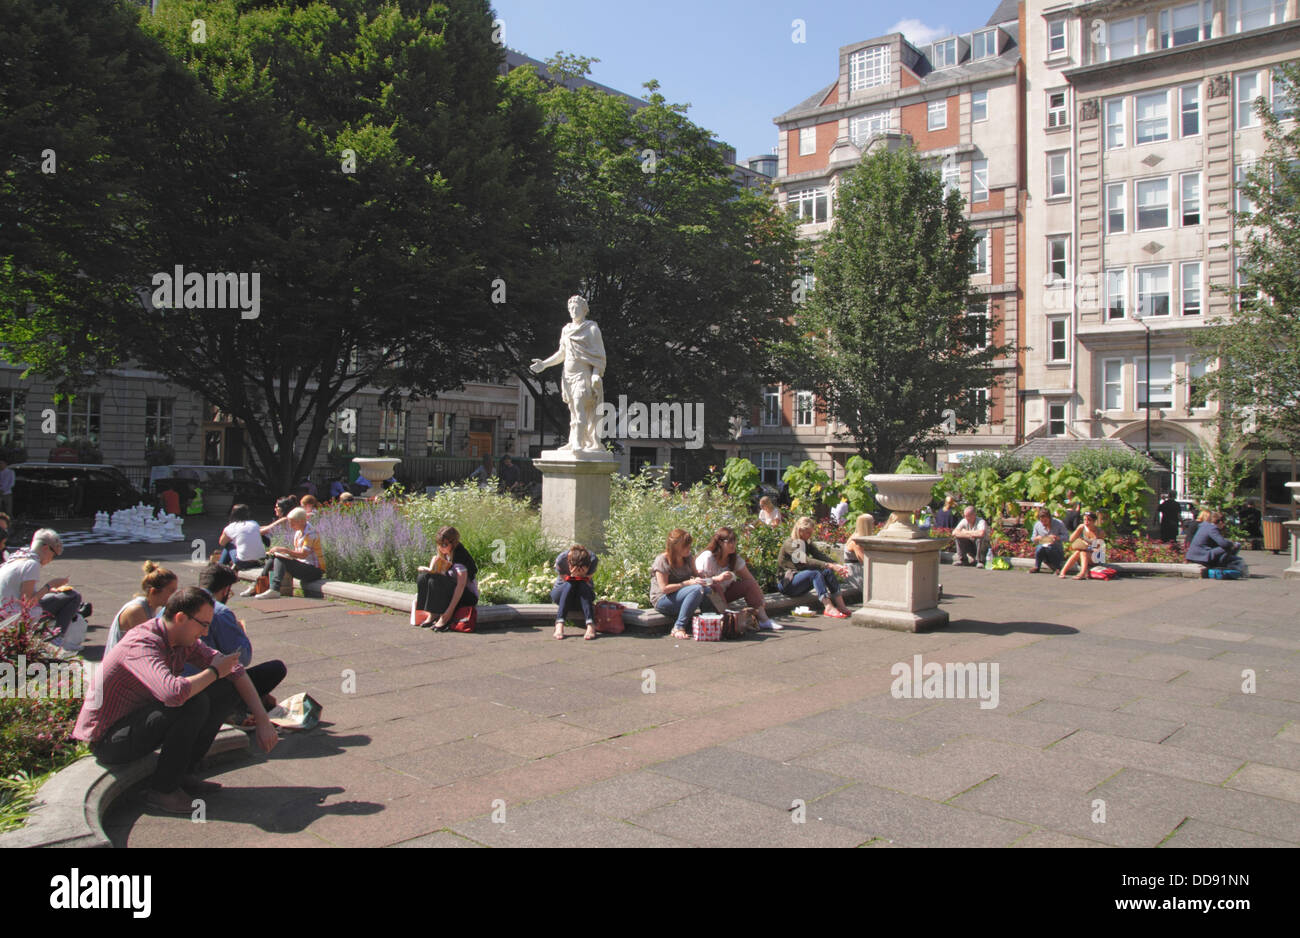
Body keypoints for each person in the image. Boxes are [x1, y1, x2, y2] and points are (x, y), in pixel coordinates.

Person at [72, 587, 279, 814]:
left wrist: (263, 721)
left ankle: (184, 774)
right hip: (109, 740)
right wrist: (213, 672)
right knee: (193, 701)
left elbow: (234, 670)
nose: (205, 632)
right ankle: (163, 791)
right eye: (203, 624)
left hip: (139, 722)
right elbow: (172, 693)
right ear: (181, 618)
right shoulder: (143, 643)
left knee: (224, 689)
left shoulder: (182, 641)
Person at [195, 563, 285, 713]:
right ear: (225, 590)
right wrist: (240, 631)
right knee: (276, 668)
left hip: (179, 679)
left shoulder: (176, 603)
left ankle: (247, 702)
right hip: (205, 686)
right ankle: (235, 707)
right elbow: (241, 658)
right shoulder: (219, 612)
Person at [529, 295, 606, 453]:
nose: (572, 310)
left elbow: (599, 356)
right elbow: (561, 353)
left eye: (576, 307)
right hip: (567, 377)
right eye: (570, 308)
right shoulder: (566, 330)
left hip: (582, 375)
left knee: (579, 406)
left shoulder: (592, 329)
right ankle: (574, 441)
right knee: (573, 410)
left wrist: (595, 374)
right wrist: (544, 364)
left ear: (584, 309)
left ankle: (578, 442)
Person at [0, 528, 88, 651]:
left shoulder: (16, 558)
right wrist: (49, 585)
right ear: (46, 548)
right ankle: (56, 637)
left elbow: (21, 592)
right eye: (53, 555)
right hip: (15, 618)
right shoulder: (32, 564)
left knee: (62, 595)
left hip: (4, 613)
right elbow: (27, 602)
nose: (51, 560)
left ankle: (53, 636)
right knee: (73, 596)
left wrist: (49, 591)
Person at [696, 526, 778, 631]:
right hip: (708, 596)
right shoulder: (707, 557)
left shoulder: (734, 559)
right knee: (716, 586)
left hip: (724, 594)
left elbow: (750, 579)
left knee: (749, 584)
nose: (733, 544)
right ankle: (728, 622)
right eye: (729, 541)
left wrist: (760, 596)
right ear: (720, 542)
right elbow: (701, 582)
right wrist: (718, 578)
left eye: (734, 541)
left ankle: (764, 620)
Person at [777, 517, 852, 618]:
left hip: (800, 579)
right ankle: (828, 606)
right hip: (787, 583)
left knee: (827, 571)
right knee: (815, 573)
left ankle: (841, 605)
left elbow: (819, 555)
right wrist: (828, 565)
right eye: (808, 532)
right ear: (800, 530)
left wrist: (835, 564)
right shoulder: (789, 544)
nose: (810, 535)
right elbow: (805, 560)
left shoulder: (806, 542)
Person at [412, 526, 478, 630]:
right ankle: (433, 613)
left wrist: (447, 614)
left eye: (444, 545)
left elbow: (460, 588)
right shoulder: (446, 554)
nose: (441, 548)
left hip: (466, 596)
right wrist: (430, 568)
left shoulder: (460, 559)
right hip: (451, 589)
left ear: (453, 543)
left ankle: (441, 616)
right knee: (423, 577)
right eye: (439, 544)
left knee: (435, 580)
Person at [105, 561, 178, 654]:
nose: (174, 596)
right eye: (171, 591)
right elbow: (149, 646)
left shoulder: (150, 609)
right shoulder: (136, 611)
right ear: (153, 591)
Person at [253, 508, 325, 599]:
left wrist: (285, 550)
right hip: (304, 565)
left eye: (293, 523)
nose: (290, 526)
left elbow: (303, 554)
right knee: (274, 556)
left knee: (280, 558)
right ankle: (257, 584)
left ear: (302, 521)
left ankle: (274, 589)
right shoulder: (299, 532)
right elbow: (298, 554)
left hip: (314, 570)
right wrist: (282, 553)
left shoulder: (310, 534)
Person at [651, 528, 707, 640]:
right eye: (686, 546)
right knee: (696, 589)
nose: (689, 549)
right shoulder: (662, 560)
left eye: (689, 546)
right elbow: (664, 588)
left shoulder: (688, 557)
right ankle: (678, 627)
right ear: (675, 547)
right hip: (663, 599)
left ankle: (708, 621)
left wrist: (702, 578)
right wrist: (687, 583)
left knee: (708, 590)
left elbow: (696, 575)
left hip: (683, 594)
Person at [551, 544, 598, 641]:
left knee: (582, 583)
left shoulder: (593, 559)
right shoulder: (561, 559)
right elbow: (563, 578)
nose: (579, 569)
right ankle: (559, 624)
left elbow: (588, 579)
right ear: (569, 563)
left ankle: (590, 625)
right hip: (561, 594)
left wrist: (583, 575)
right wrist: (572, 575)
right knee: (570, 583)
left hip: (583, 595)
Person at [1186, 511, 1248, 576]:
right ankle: (1221, 565)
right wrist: (1232, 544)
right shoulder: (1212, 528)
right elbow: (1223, 543)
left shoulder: (1204, 526)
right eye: (1224, 523)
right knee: (1229, 547)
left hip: (1193, 555)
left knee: (1226, 547)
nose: (1224, 525)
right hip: (1202, 556)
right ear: (1220, 522)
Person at [220, 504, 268, 570]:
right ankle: (221, 567)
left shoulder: (231, 527)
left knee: (228, 545)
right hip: (259, 560)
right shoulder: (254, 523)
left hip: (243, 562)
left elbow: (222, 543)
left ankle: (220, 567)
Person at [1060, 511, 1104, 580]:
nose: (1086, 522)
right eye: (1084, 520)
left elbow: (1099, 549)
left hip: (1096, 556)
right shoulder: (1082, 528)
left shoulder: (1099, 532)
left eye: (1089, 520)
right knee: (1079, 552)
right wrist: (1078, 529)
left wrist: (1088, 546)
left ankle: (1082, 573)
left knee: (1083, 552)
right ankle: (1063, 571)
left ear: (1094, 521)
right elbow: (1071, 539)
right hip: (1084, 555)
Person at [1029, 508, 1069, 574]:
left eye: (1045, 520)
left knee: (1050, 547)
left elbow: (1067, 537)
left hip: (1056, 549)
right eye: (1042, 521)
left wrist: (1057, 537)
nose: (1043, 523)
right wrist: (1037, 538)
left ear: (1050, 518)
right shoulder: (1037, 525)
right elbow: (1033, 539)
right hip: (1043, 548)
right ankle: (1037, 566)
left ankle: (1057, 567)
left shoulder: (1058, 523)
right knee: (1039, 548)